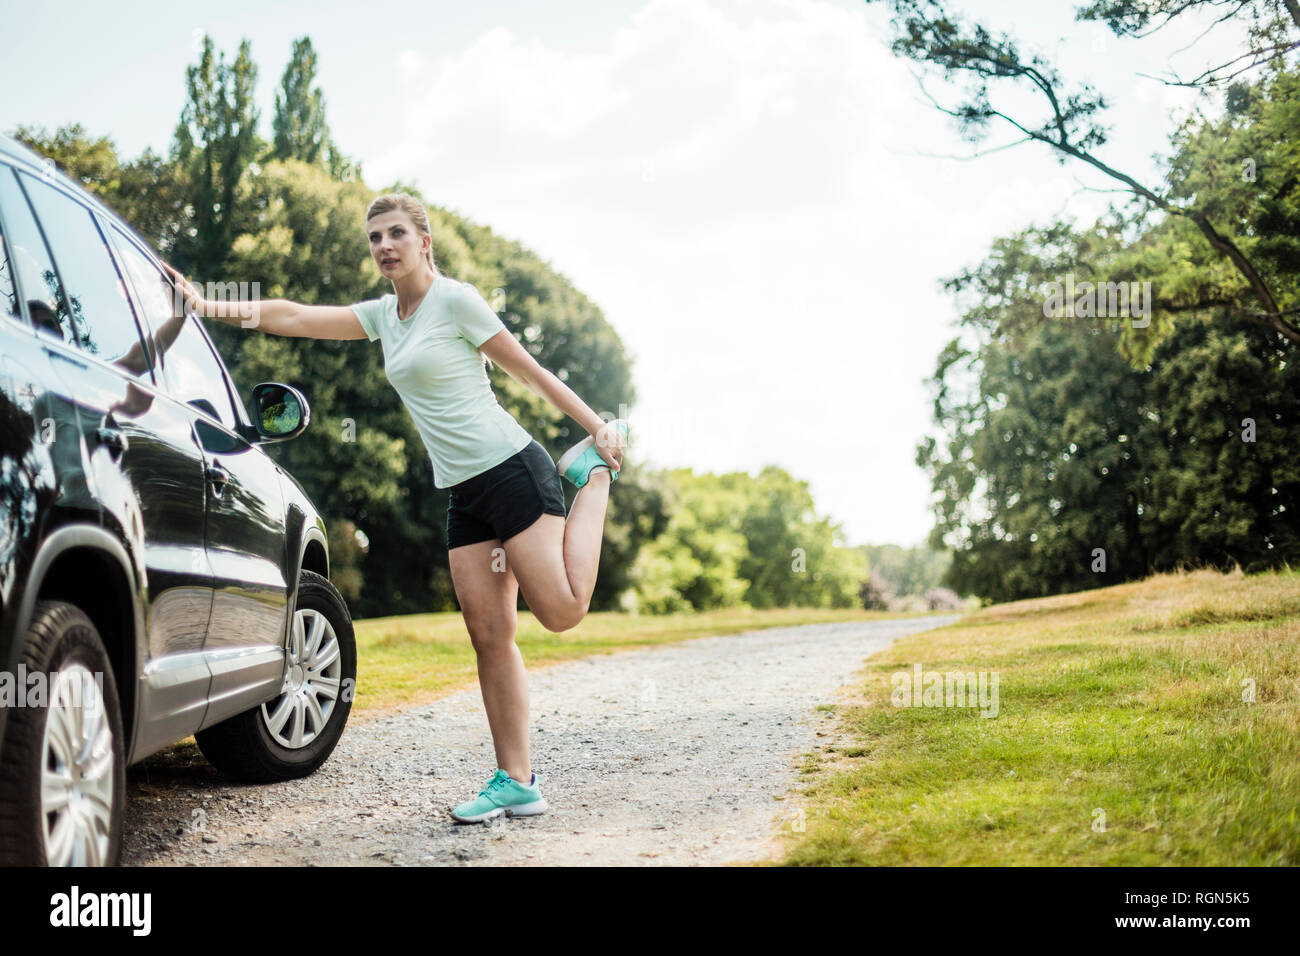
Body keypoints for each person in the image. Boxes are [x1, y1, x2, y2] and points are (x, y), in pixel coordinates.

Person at [163, 191, 628, 824]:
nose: (384, 246)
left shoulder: (457, 300)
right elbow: (295, 316)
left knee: (563, 610)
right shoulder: (385, 316)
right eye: (375, 237)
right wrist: (205, 305)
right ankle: (516, 781)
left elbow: (529, 372)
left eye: (396, 234)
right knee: (490, 636)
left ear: (424, 242)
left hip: (515, 472)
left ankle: (592, 478)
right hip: (464, 493)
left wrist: (598, 426)